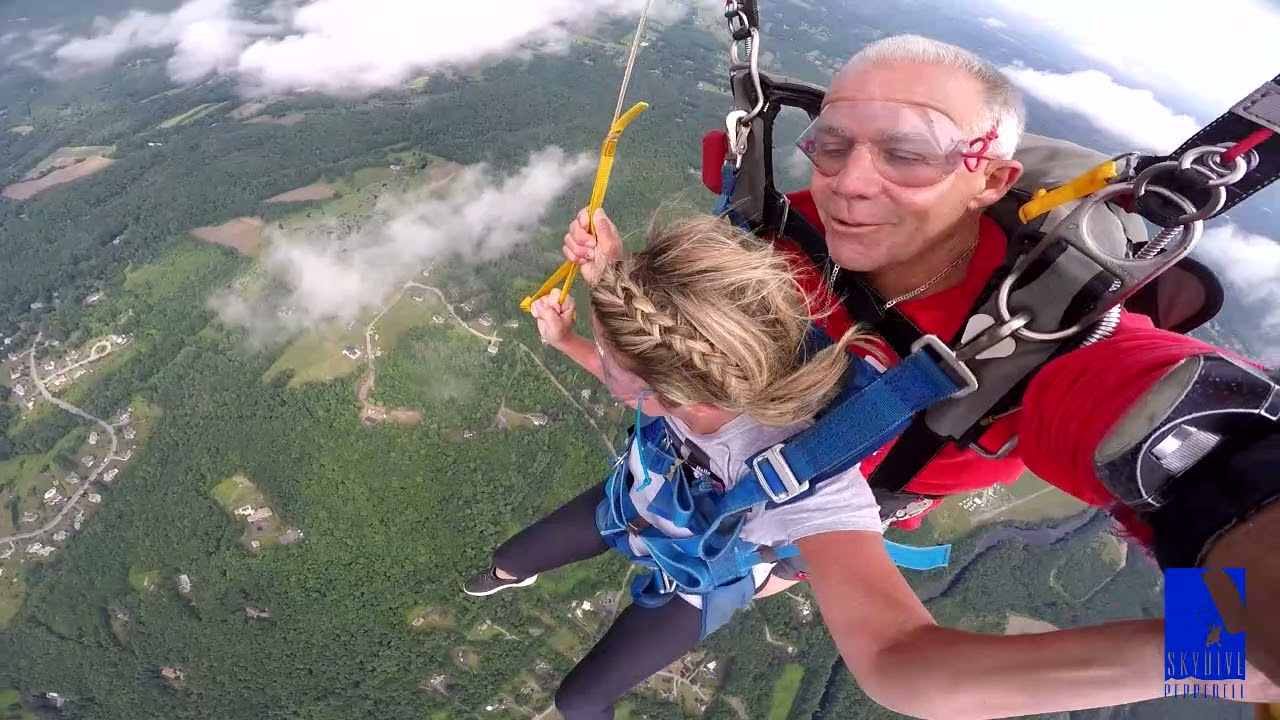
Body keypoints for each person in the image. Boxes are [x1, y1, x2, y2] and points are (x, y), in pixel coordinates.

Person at [560, 34, 1280, 713]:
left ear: (990, 179)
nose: (849, 183)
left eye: (911, 152)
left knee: (763, 564)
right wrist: (613, 279)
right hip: (714, 451)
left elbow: (1202, 440)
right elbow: (671, 343)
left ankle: (772, 571)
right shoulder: (778, 225)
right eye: (831, 145)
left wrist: (1213, 650)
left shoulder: (1055, 339)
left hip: (831, 503)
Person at [466, 212, 1271, 720]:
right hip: (646, 499)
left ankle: (517, 583)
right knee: (509, 561)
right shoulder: (694, 380)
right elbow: (641, 381)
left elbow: (903, 666)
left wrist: (1211, 656)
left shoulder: (807, 481)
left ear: (669, 380)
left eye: (619, 359)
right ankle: (503, 572)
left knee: (581, 698)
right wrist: (593, 310)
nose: (619, 374)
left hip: (702, 569)